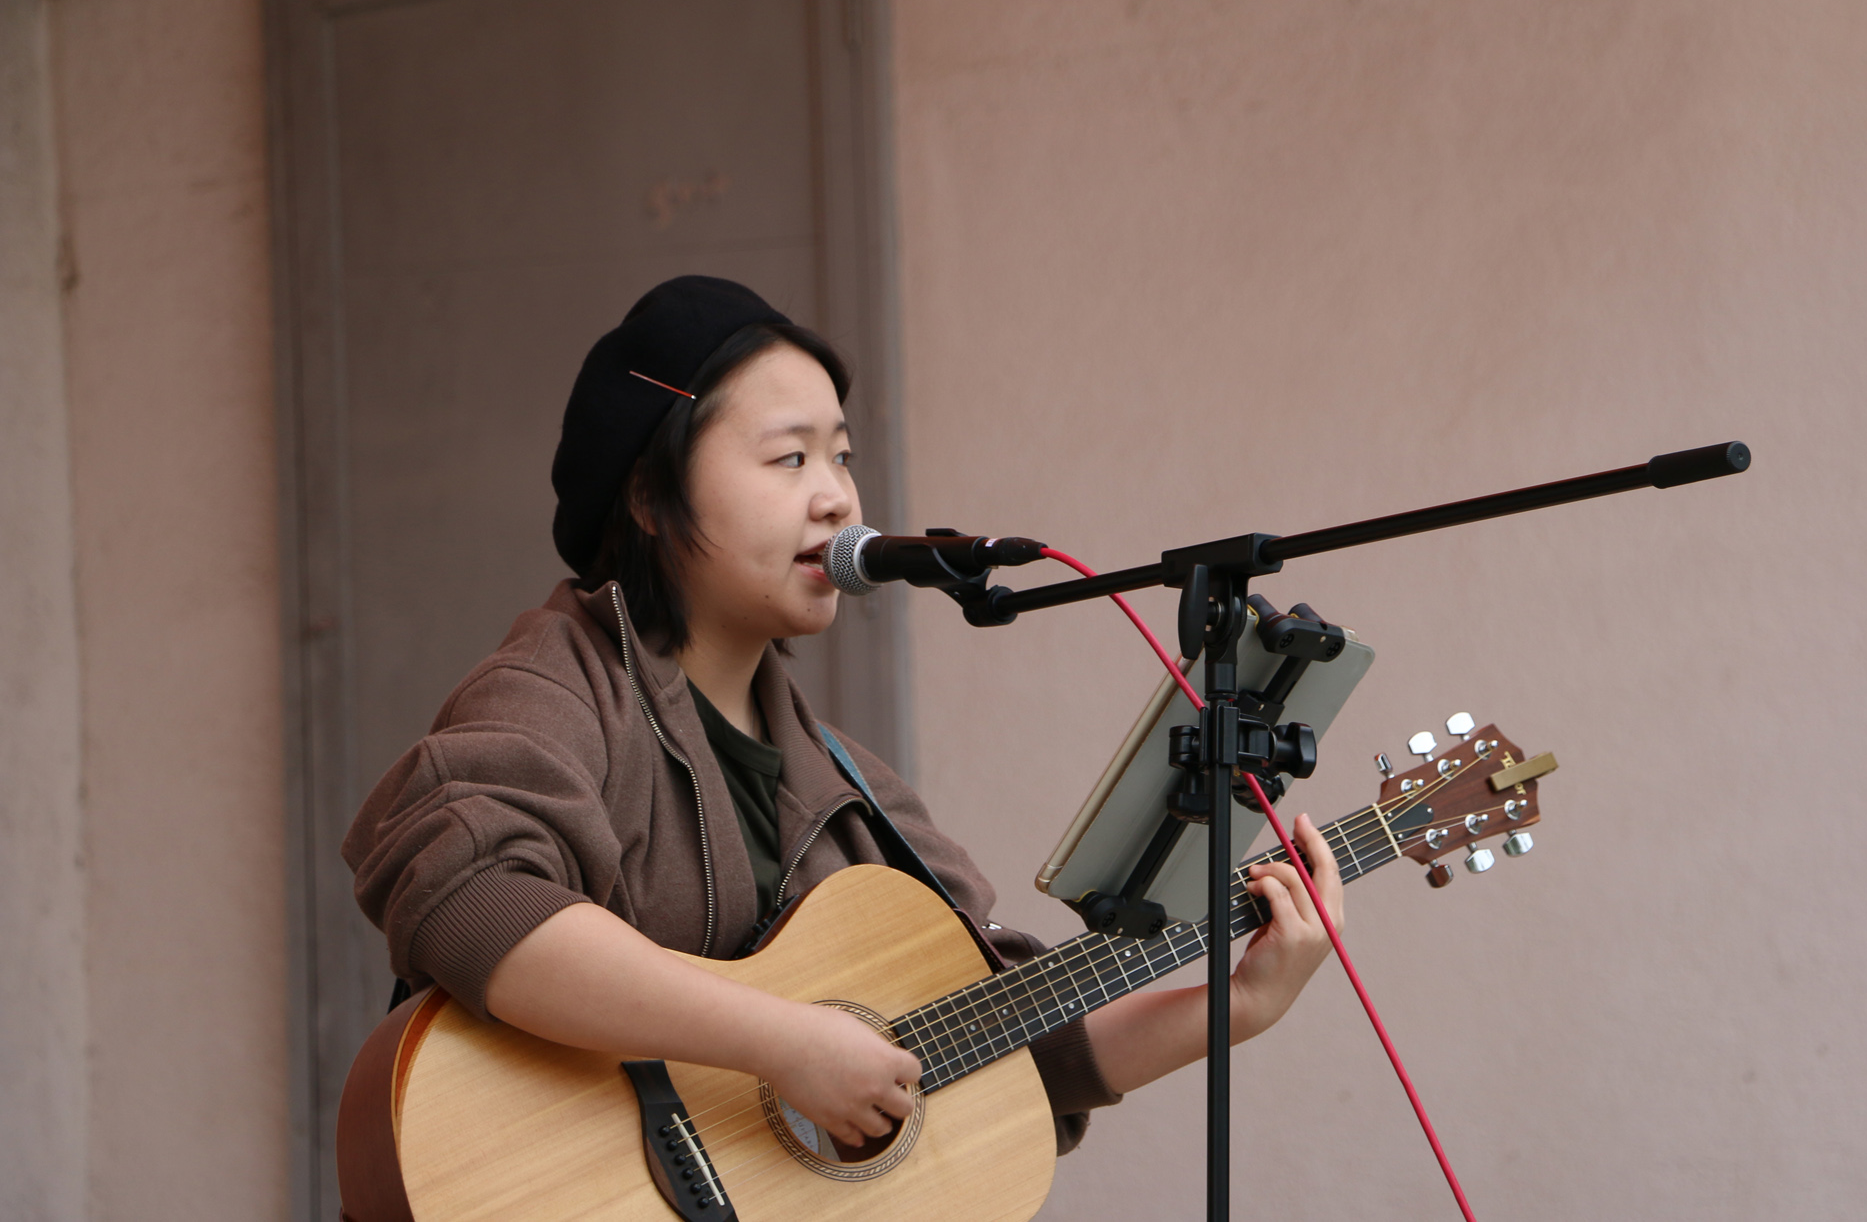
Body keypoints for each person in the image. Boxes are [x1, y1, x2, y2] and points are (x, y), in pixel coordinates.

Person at [342, 275, 1341, 1157]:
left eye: (843, 456)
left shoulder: (857, 791)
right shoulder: (558, 685)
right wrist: (777, 1040)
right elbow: (470, 894)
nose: (835, 500)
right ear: (648, 494)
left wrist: (1234, 1006)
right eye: (789, 459)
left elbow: (1004, 1050)